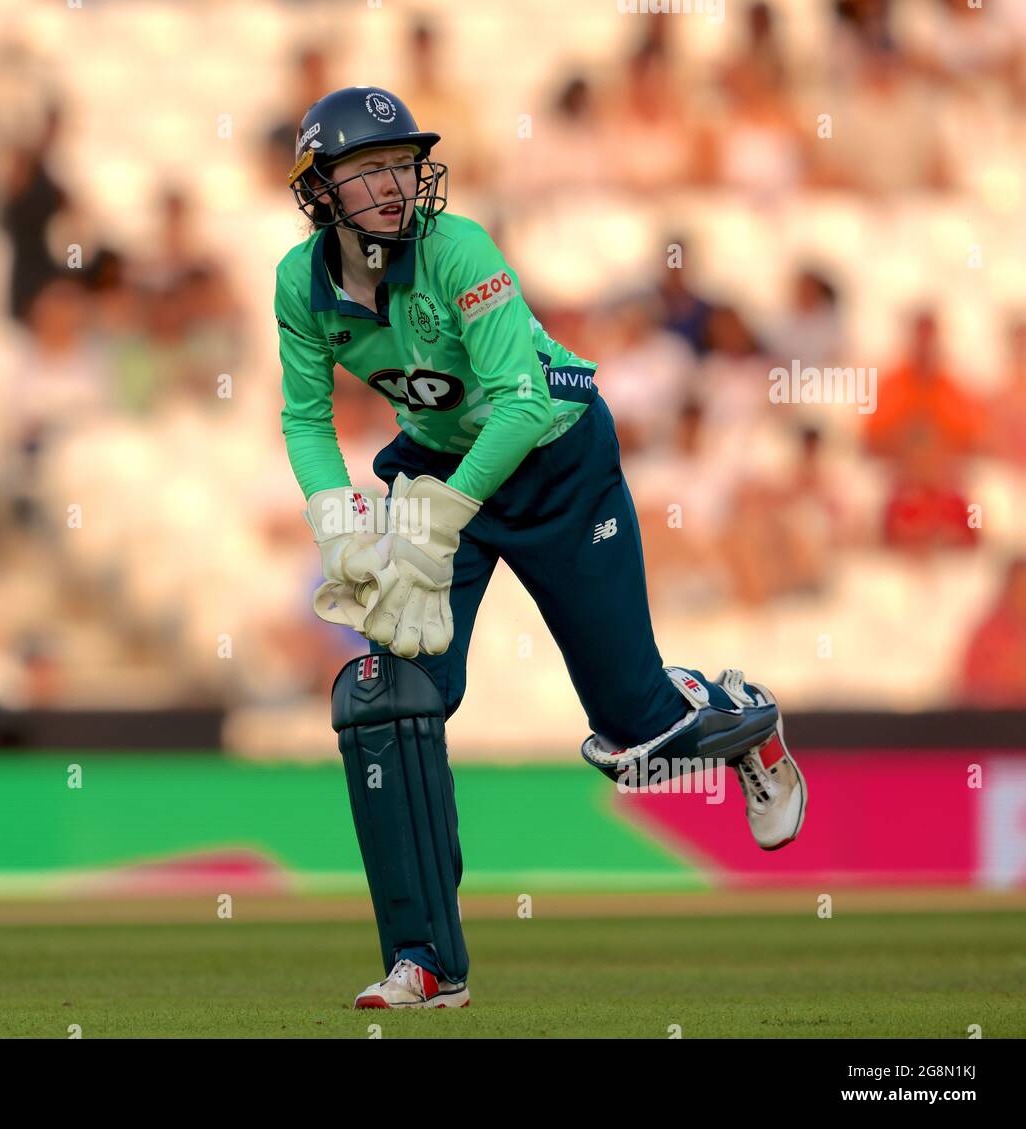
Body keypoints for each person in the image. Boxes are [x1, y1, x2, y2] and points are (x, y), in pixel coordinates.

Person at [274, 87, 807, 1011]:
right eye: (369, 173)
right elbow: (305, 414)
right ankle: (426, 960)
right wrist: (334, 518)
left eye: (403, 164)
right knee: (392, 697)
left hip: (557, 458)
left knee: (634, 727)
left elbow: (522, 402)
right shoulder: (298, 282)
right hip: (440, 468)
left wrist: (436, 521)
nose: (398, 187)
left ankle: (747, 723)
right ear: (322, 192)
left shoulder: (459, 250)